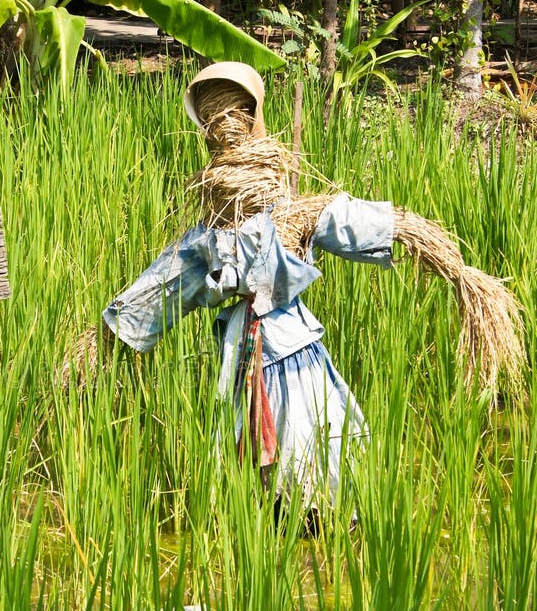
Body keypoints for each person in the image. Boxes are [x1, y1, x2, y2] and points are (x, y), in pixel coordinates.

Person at [101, 62, 395, 512]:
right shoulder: (207, 237)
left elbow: (351, 222)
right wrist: (102, 341)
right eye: (213, 115)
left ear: (252, 115)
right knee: (250, 452)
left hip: (291, 347)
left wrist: (449, 264)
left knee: (307, 433)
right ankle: (266, 515)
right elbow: (158, 288)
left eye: (233, 112)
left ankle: (317, 512)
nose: (223, 125)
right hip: (242, 351)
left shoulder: (290, 214)